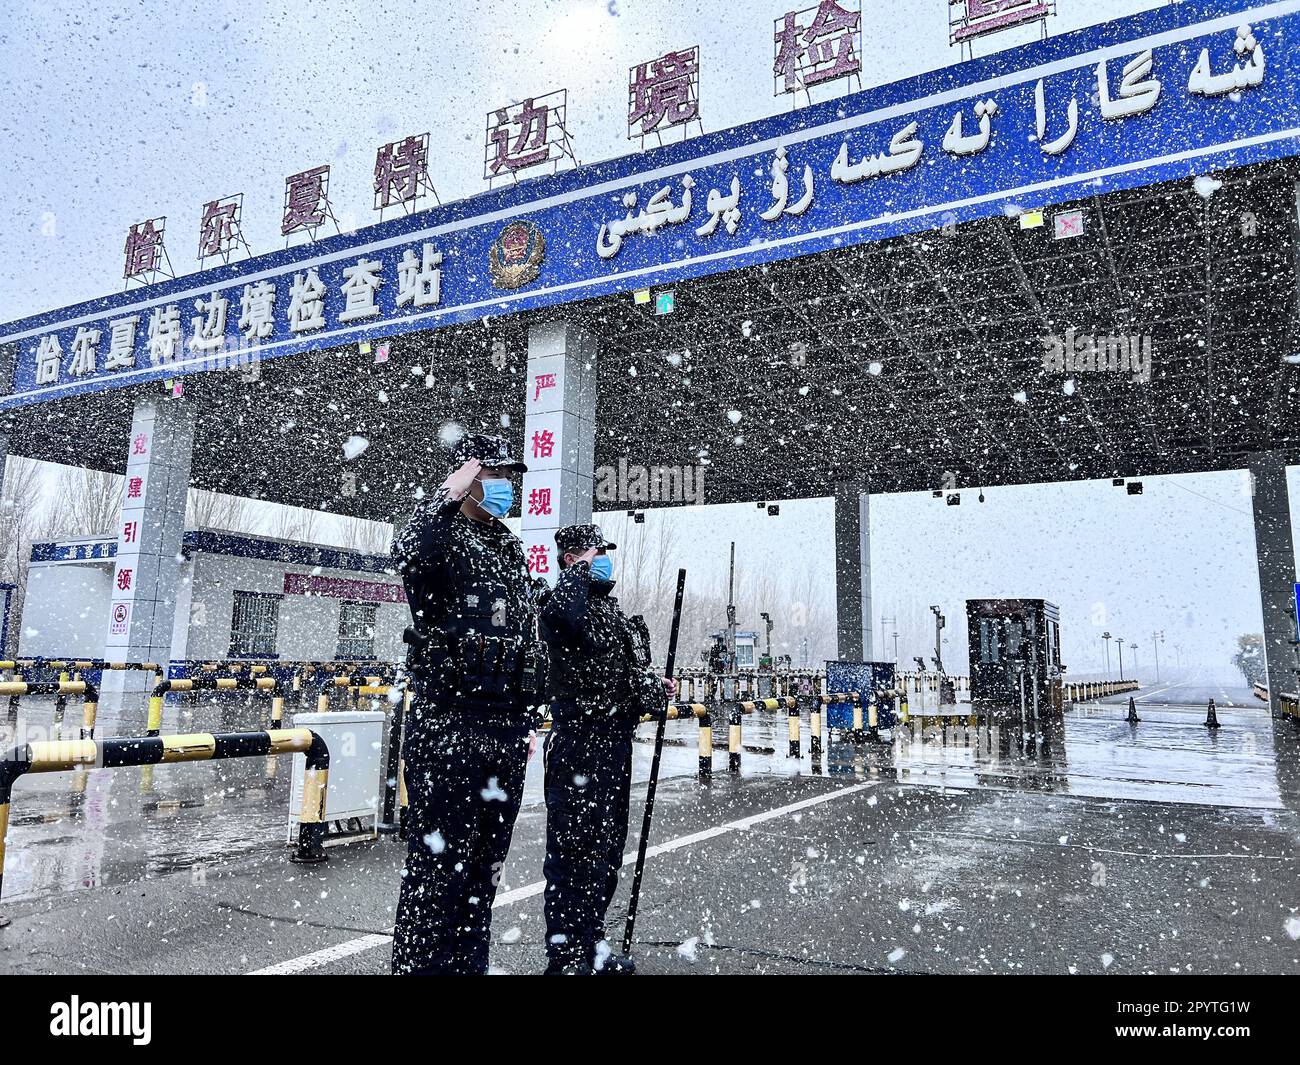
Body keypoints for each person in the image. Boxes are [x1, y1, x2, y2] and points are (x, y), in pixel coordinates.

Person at [390, 432, 547, 975]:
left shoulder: (506, 547)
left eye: (512, 478)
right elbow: (409, 553)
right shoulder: (437, 533)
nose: (508, 487)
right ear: (468, 479)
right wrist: (443, 497)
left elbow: (525, 638)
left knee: (483, 872)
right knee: (439, 870)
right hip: (449, 725)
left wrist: (525, 718)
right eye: (496, 476)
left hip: (502, 731)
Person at [538, 523, 674, 975]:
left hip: (614, 744)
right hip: (578, 744)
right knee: (572, 855)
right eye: (594, 552)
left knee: (605, 853)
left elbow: (627, 680)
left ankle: (591, 945)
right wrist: (577, 570)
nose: (603, 559)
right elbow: (563, 618)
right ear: (570, 559)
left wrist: (656, 688)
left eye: (603, 552)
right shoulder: (559, 603)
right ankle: (566, 958)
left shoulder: (611, 613)